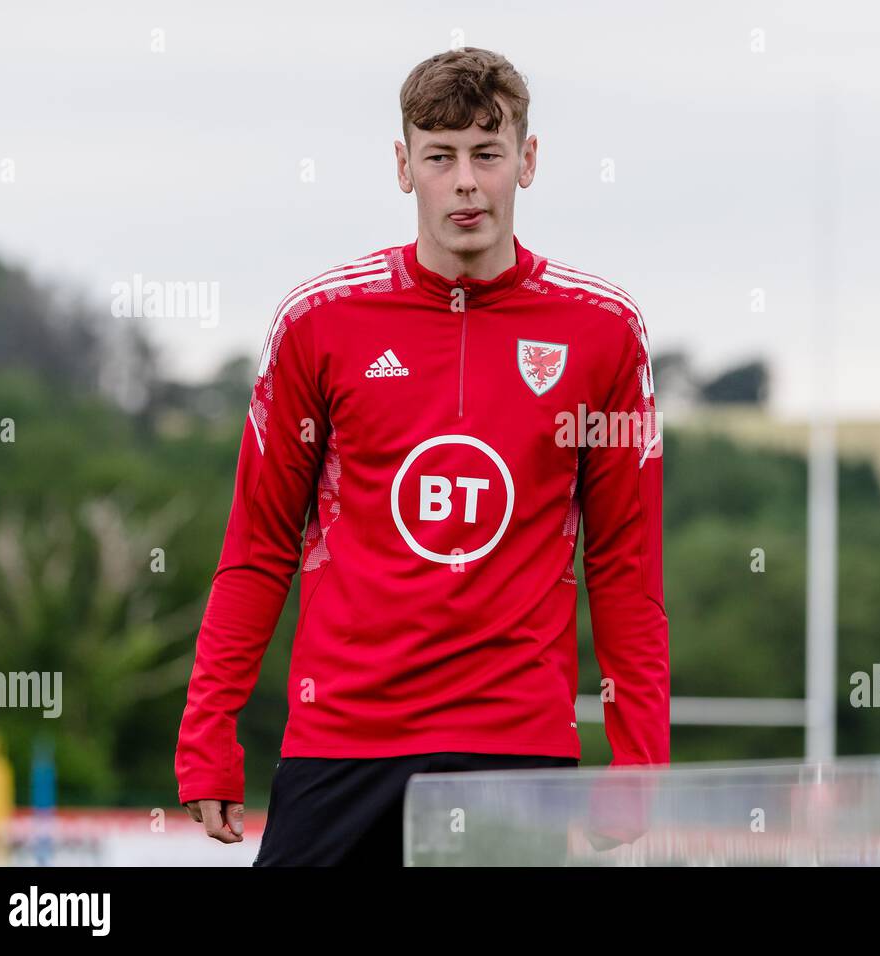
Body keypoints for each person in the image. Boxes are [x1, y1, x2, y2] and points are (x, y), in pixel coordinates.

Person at [175, 47, 669, 865]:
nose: (465, 181)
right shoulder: (319, 321)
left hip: (516, 753)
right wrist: (208, 733)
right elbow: (258, 550)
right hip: (340, 742)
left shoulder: (604, 331)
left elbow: (623, 567)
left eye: (487, 153)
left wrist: (640, 763)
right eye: (440, 156)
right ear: (405, 167)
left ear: (528, 161)